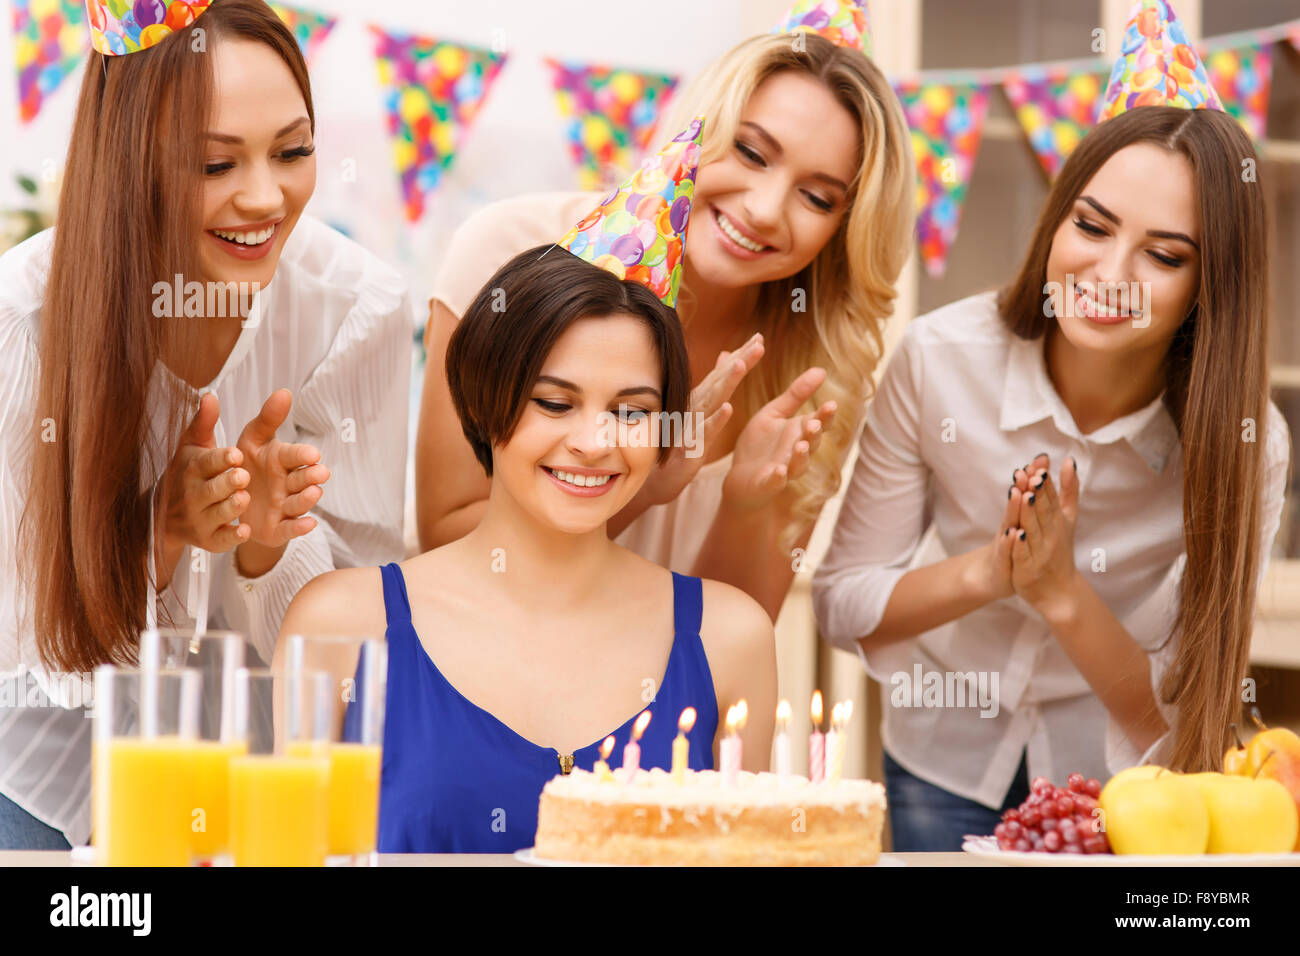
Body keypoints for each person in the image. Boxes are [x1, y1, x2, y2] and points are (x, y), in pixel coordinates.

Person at [813, 98, 1290, 851]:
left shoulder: (1246, 446)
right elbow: (841, 605)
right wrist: (992, 573)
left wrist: (1061, 591)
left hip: (1112, 782)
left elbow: (1177, 723)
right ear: (1057, 221)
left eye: (1164, 256)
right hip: (939, 755)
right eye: (1092, 226)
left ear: (1211, 287)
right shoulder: (939, 358)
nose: (1109, 275)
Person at [0, 0, 412, 850]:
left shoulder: (358, 310)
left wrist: (267, 545)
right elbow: (33, 655)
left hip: (264, 773)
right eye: (215, 163)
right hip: (46, 766)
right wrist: (162, 534)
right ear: (129, 160)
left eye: (293, 152)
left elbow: (356, 648)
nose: (265, 197)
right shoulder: (22, 319)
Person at [279, 238, 778, 852]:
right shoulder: (342, 624)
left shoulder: (731, 637)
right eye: (555, 402)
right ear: (486, 404)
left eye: (631, 412)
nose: (595, 443)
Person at [415, 28, 915, 621]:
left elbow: (732, 641)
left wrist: (746, 506)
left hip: (660, 706)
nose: (763, 208)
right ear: (700, 127)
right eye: (752, 153)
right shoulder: (506, 252)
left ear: (846, 229)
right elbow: (447, 538)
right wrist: (648, 485)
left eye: (818, 198)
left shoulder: (816, 371)